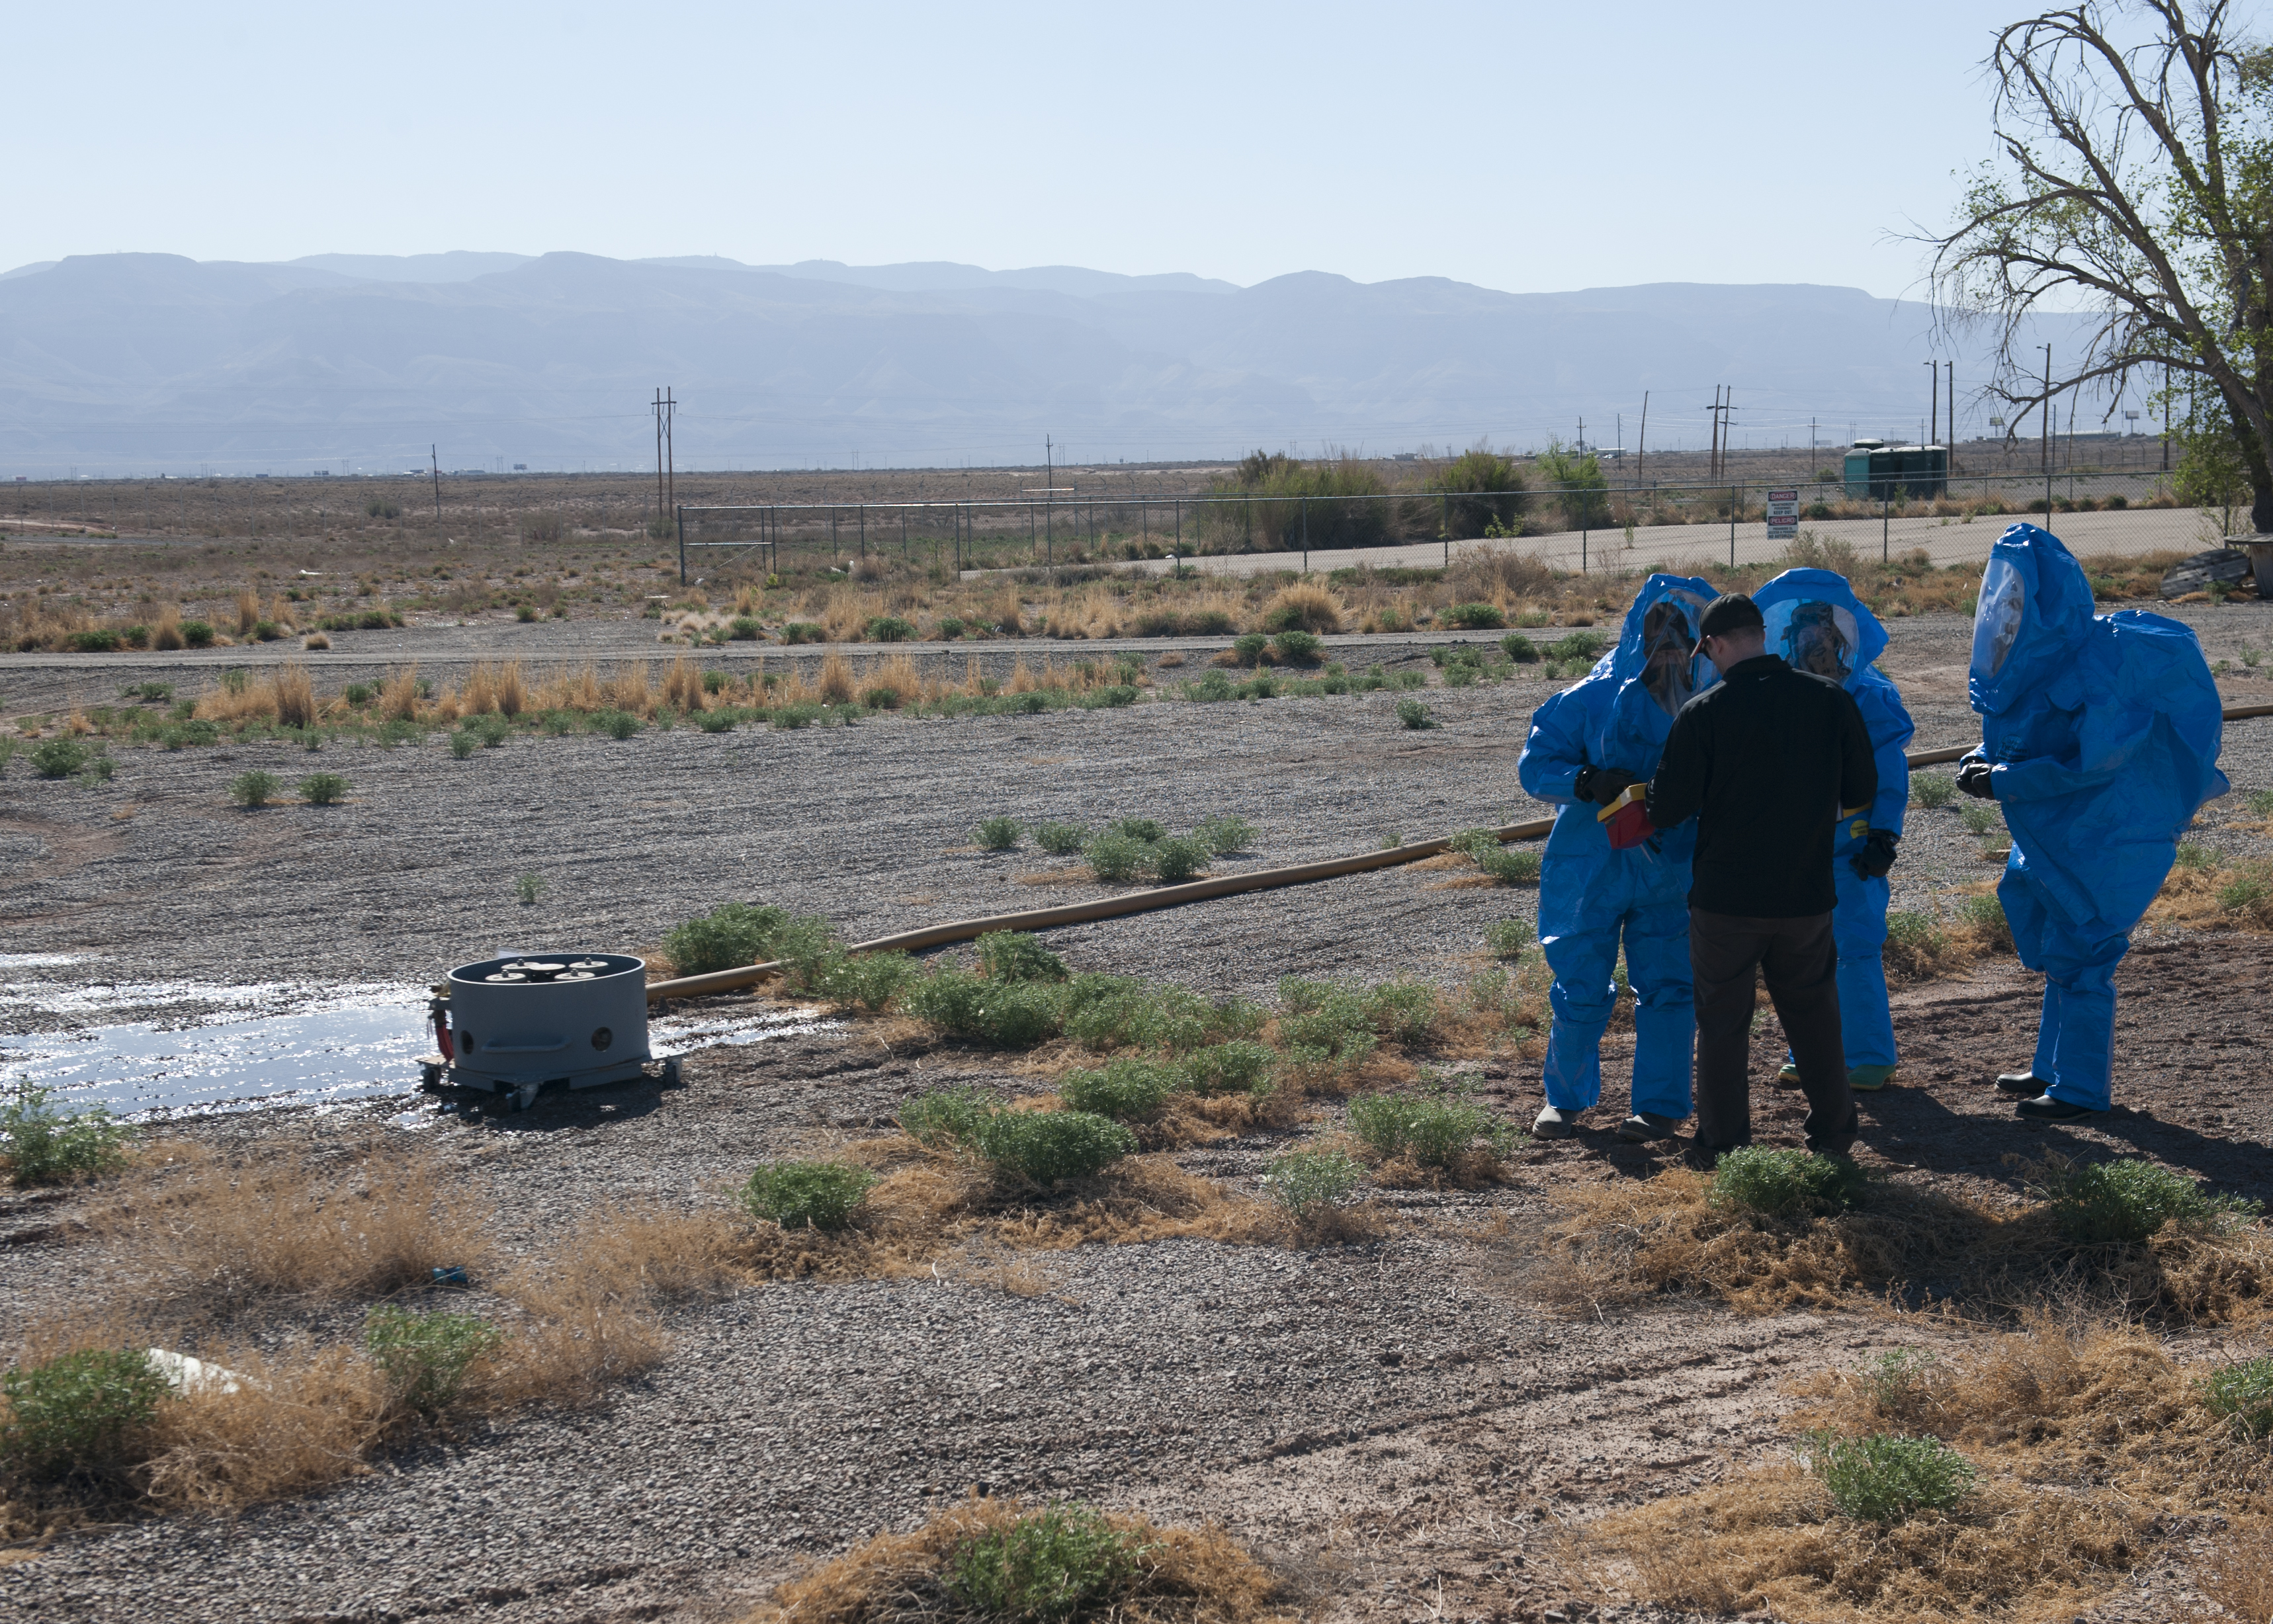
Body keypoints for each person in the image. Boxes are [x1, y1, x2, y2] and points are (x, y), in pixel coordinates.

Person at [1958, 523, 2227, 1121]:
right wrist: (1984, 761)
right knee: (2061, 951)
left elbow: (2090, 763)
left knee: (2084, 956)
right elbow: (2022, 734)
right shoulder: (2037, 660)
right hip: (2056, 834)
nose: (2005, 608)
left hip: (2103, 836)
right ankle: (2052, 1067)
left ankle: (2079, 1087)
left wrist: (2002, 780)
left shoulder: (2101, 665)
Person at [1636, 591, 1877, 1156]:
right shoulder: (1830, 699)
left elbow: (1667, 808)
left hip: (1727, 901)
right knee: (1815, 1016)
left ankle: (1725, 1146)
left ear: (1714, 645)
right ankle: (1835, 1135)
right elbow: (1862, 790)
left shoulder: (1704, 712)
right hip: (1806, 894)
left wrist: (1644, 792)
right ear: (1762, 636)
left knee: (1723, 1024)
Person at [1516, 574, 1721, 1142]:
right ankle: (1564, 1099)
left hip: (1672, 864)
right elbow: (1536, 764)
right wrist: (1587, 779)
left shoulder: (1709, 700)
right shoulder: (1593, 696)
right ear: (1637, 634)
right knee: (1580, 982)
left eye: (1681, 633)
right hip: (1592, 865)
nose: (1669, 645)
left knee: (1670, 986)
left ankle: (1659, 1106)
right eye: (1659, 631)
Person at [1752, 569, 1914, 1093]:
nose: (1813, 644)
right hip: (1796, 845)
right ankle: (1812, 1053)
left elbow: (1889, 770)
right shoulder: (1779, 694)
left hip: (1852, 845)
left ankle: (1868, 1055)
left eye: (1822, 633)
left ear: (1842, 635)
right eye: (1804, 633)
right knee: (1801, 952)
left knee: (1855, 947)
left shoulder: (1870, 695)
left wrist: (1884, 835)